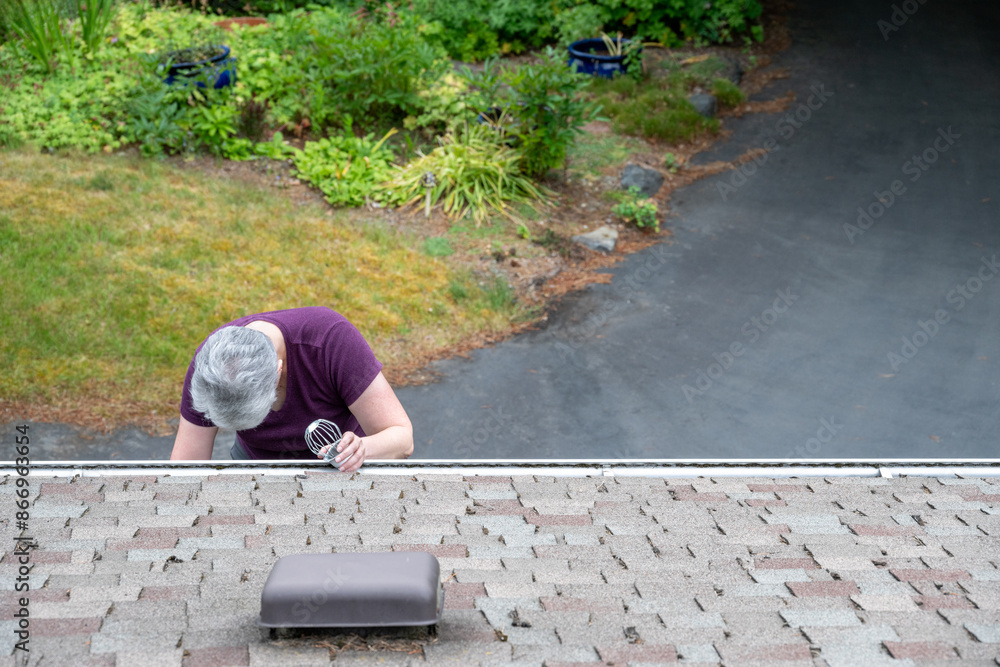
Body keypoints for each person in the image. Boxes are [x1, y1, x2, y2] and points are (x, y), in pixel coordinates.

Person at [170, 307, 413, 470]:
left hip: (341, 466)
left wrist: (362, 450)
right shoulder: (210, 366)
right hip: (256, 464)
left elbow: (403, 439)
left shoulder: (330, 340)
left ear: (277, 373)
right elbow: (185, 468)